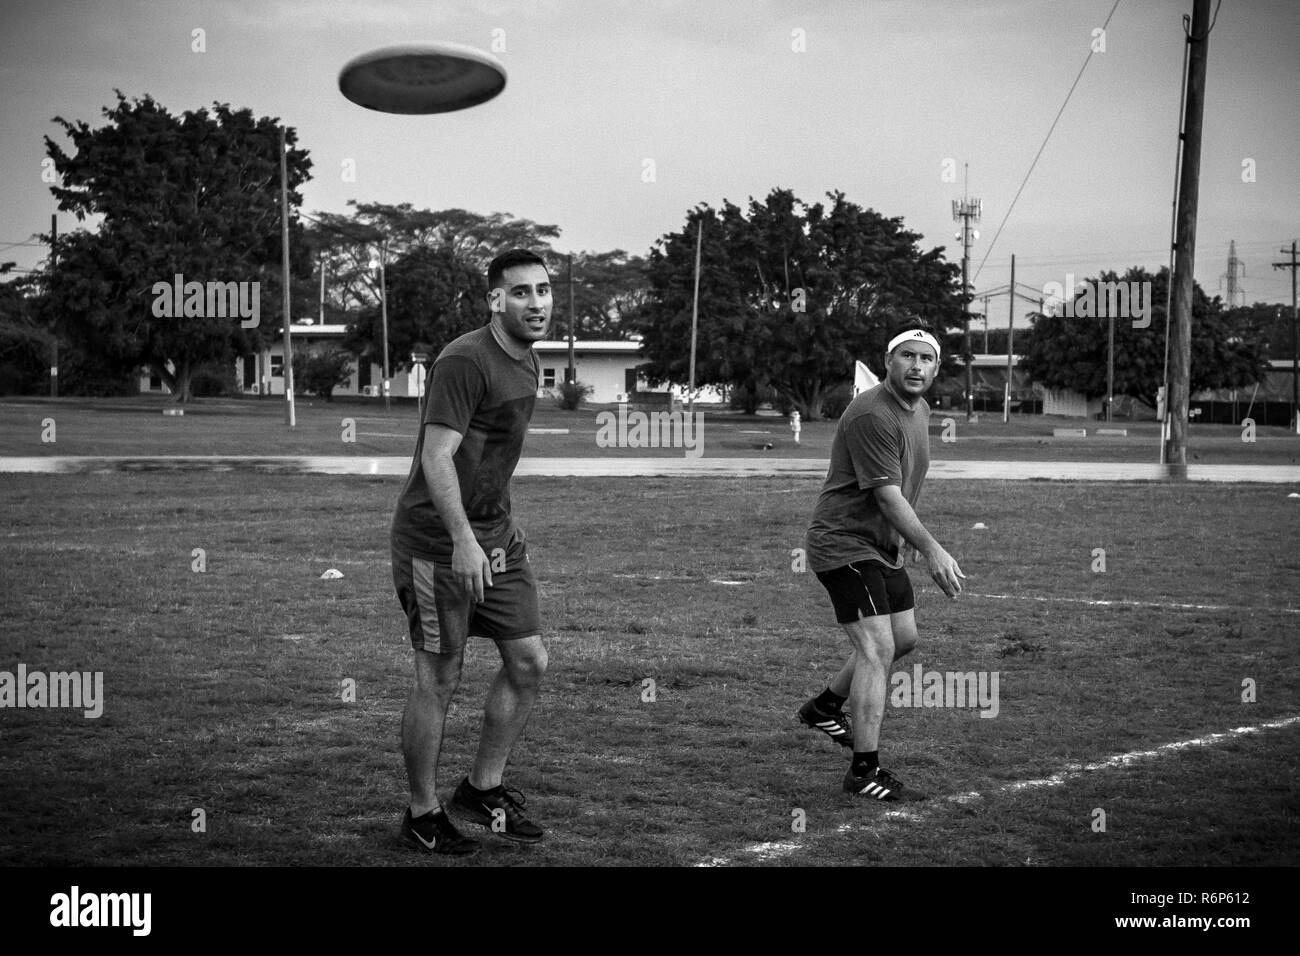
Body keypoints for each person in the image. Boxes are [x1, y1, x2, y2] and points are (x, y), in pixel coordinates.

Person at [390, 248, 552, 854]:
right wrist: (462, 539)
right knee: (440, 674)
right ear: (494, 300)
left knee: (529, 660)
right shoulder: (464, 361)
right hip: (437, 542)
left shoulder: (530, 360)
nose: (535, 303)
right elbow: (437, 455)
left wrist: (497, 529)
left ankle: (481, 789)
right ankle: (421, 813)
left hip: (496, 538)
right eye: (520, 293)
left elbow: (489, 460)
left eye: (542, 290)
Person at [797, 322, 965, 802]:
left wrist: (905, 537)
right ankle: (864, 771)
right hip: (843, 543)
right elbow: (888, 494)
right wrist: (931, 547)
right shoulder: (873, 413)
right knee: (877, 648)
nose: (916, 366)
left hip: (880, 544)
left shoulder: (920, 408)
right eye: (907, 356)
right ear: (888, 362)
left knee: (904, 638)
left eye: (926, 359)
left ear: (936, 367)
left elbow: (905, 483)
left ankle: (824, 707)